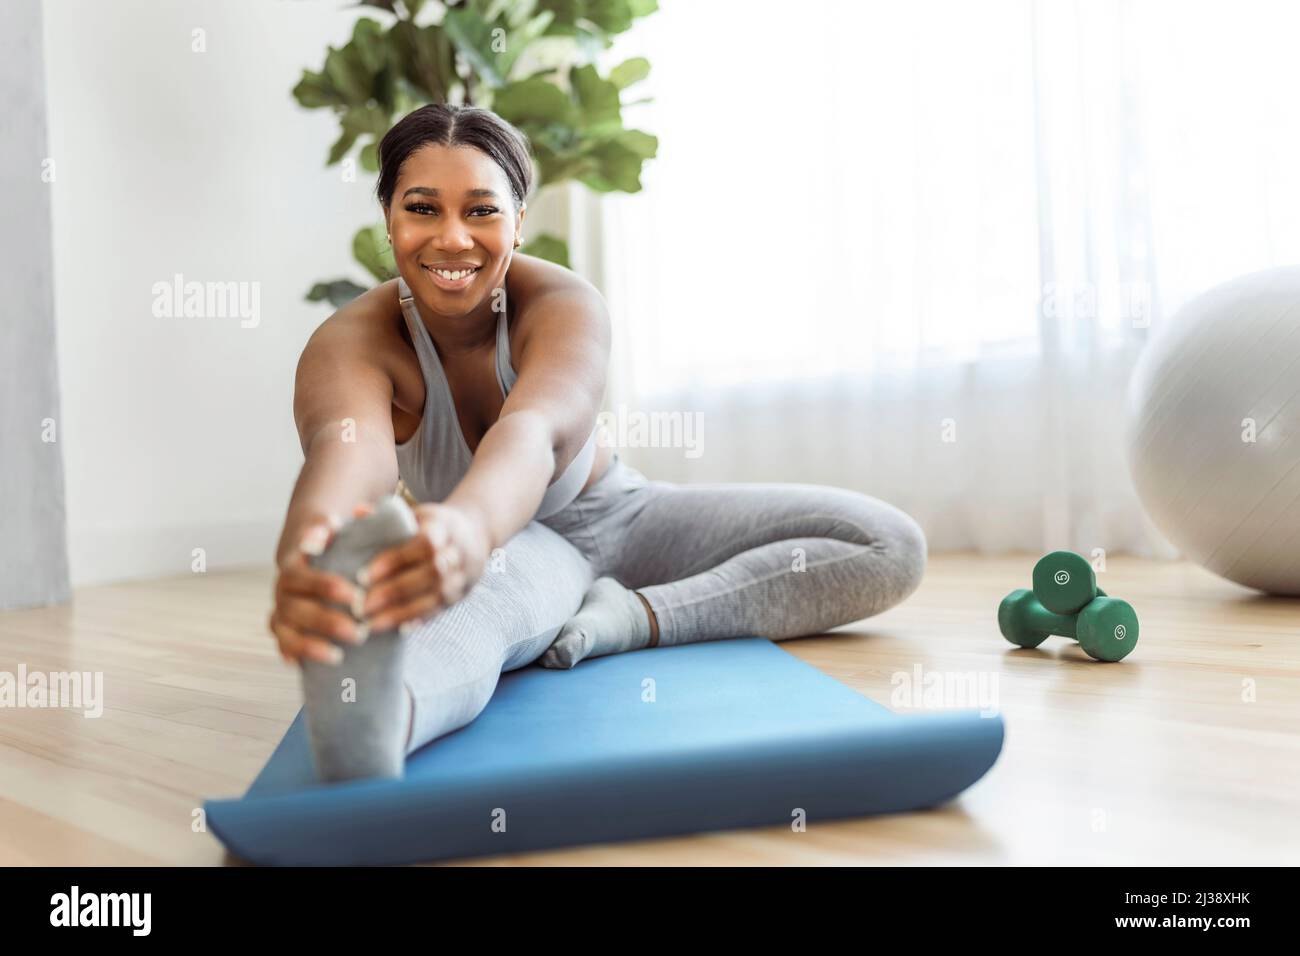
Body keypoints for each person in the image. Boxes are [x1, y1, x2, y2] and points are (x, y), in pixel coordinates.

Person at [268, 103, 926, 773]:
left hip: (621, 512)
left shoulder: (562, 303)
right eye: (423, 208)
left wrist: (466, 527)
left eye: (481, 211)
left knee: (887, 544)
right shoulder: (352, 342)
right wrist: (310, 552)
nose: (452, 240)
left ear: (519, 221)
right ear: (389, 220)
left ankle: (630, 617)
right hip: (522, 548)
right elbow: (346, 452)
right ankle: (378, 722)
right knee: (475, 625)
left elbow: (533, 431)